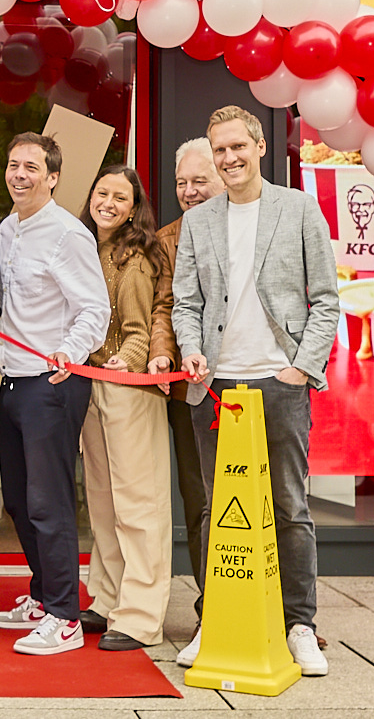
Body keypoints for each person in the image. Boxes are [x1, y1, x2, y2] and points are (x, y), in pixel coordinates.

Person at [172, 105, 338, 677]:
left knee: (290, 505)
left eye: (237, 146)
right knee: (216, 508)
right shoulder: (199, 222)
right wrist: (191, 350)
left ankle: (300, 625)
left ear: (260, 146)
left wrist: (301, 368)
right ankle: (214, 620)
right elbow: (186, 303)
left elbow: (327, 300)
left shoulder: (298, 208)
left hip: (279, 381)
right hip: (215, 385)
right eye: (220, 150)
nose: (229, 158)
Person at [0, 133, 110, 656]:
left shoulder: (68, 234)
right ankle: (42, 597)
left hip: (52, 384)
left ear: (53, 177)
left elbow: (95, 309)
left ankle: (65, 616)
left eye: (32, 167)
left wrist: (69, 352)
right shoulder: (9, 228)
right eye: (14, 164)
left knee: (48, 502)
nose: (20, 174)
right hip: (12, 378)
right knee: (17, 499)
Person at [77, 165, 174, 651]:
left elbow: (141, 324)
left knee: (139, 504)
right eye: (102, 193)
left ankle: (140, 617)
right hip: (92, 383)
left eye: (120, 197)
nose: (108, 203)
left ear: (134, 209)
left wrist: (130, 360)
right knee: (103, 501)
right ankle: (107, 597)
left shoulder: (135, 257)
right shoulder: (85, 247)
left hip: (129, 387)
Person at [151, 139, 223, 581]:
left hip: (253, 381)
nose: (189, 191)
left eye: (200, 180)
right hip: (190, 387)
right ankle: (210, 603)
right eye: (182, 182)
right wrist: (162, 354)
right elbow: (164, 306)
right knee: (200, 500)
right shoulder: (167, 239)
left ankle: (275, 608)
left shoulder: (253, 225)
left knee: (268, 496)